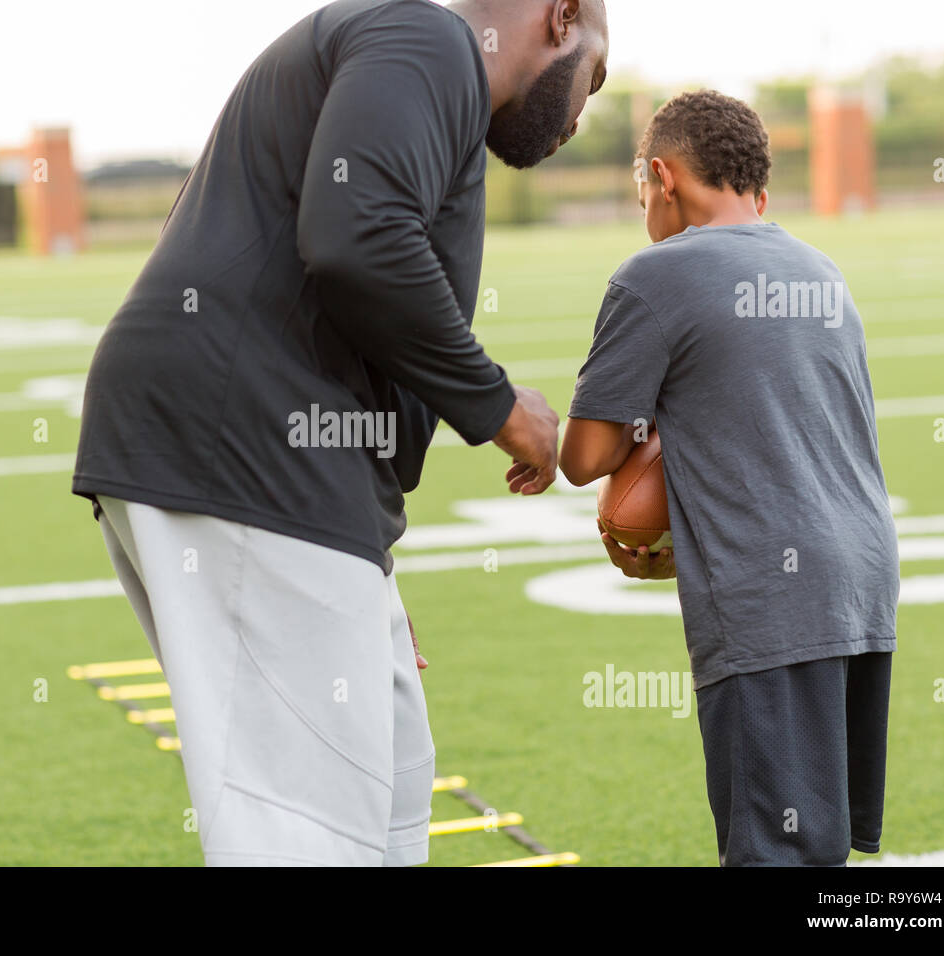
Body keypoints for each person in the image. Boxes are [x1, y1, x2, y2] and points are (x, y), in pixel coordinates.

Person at [74, 0, 608, 866]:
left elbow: (352, 308)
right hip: (244, 443)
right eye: (598, 71)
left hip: (274, 464)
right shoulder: (427, 38)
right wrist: (502, 408)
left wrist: (367, 562)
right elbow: (356, 237)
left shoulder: (423, 82)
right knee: (302, 835)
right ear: (562, 16)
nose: (586, 111)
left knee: (390, 801)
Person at [559, 90, 900, 866]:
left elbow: (583, 460)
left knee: (774, 855)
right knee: (820, 852)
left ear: (662, 175)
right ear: (759, 187)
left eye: (642, 190)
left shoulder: (657, 274)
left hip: (769, 595)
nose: (642, 205)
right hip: (863, 579)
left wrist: (639, 434)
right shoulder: (821, 268)